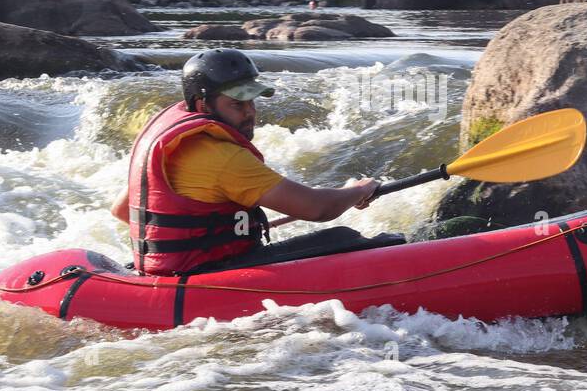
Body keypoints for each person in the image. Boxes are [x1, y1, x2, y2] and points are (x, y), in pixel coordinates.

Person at [110, 48, 389, 275]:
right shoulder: (222, 157)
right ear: (202, 105)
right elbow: (316, 209)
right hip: (203, 273)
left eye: (252, 102)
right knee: (343, 238)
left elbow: (123, 211)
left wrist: (209, 232)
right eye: (237, 104)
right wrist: (359, 190)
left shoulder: (163, 136)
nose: (250, 113)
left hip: (166, 269)